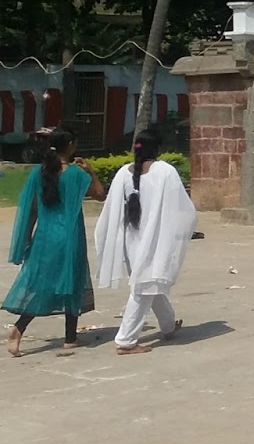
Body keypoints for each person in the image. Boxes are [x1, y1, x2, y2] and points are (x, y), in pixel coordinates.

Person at [95, 129, 197, 356]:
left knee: (151, 283)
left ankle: (169, 325)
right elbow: (182, 207)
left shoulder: (123, 172)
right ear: (157, 149)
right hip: (155, 239)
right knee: (143, 288)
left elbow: (112, 208)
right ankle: (126, 340)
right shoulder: (165, 172)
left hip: (131, 240)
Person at [5, 127, 103, 357]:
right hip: (70, 236)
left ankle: (19, 329)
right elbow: (100, 194)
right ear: (69, 145)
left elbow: (30, 211)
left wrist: (27, 238)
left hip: (45, 235)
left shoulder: (38, 173)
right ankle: (70, 338)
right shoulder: (77, 174)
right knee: (72, 281)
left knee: (41, 283)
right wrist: (91, 171)